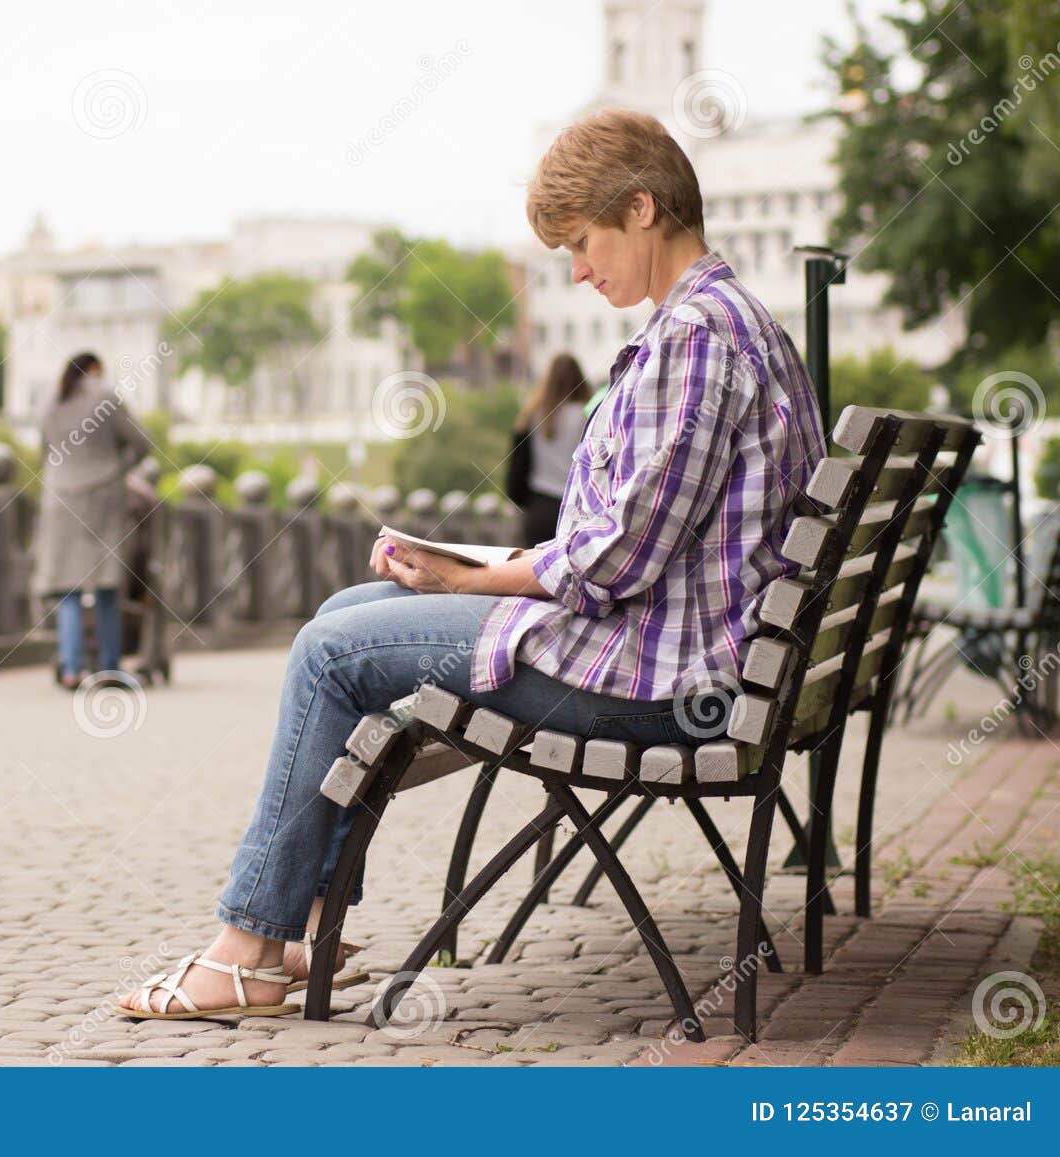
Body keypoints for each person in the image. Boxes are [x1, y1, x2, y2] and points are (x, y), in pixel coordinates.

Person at [118, 107, 825, 1019]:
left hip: (659, 682)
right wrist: (489, 564)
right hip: (700, 660)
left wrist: (471, 578)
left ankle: (249, 944)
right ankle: (305, 928)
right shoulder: (733, 322)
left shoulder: (697, 337)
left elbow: (619, 560)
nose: (577, 269)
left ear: (642, 208)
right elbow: (634, 538)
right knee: (346, 607)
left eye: (583, 242)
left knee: (326, 653)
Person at [32, 352, 154, 690]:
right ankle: (109, 667)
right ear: (94, 370)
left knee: (67, 589)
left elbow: (44, 453)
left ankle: (70, 669)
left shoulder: (47, 402)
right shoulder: (106, 396)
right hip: (103, 497)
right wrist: (118, 468)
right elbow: (142, 444)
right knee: (106, 586)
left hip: (58, 498)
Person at [506, 352, 594, 546]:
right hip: (578, 511)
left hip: (540, 510)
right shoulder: (589, 416)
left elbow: (515, 476)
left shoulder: (531, 417)